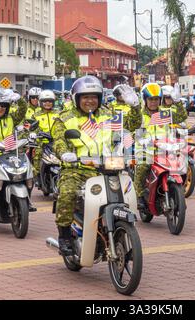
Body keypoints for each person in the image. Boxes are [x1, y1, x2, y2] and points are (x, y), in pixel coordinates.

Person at [51, 76, 142, 255]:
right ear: (76, 98)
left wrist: (136, 107)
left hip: (108, 168)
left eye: (94, 96)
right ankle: (64, 236)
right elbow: (59, 140)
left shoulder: (109, 115)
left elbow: (132, 125)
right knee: (67, 192)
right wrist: (64, 153)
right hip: (77, 169)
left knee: (129, 189)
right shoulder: (65, 118)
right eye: (85, 97)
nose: (90, 101)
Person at [134, 83, 188, 209]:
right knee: (143, 166)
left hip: (164, 150)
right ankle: (140, 196)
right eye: (150, 99)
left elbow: (181, 116)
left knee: (180, 164)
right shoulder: (139, 116)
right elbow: (130, 126)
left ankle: (177, 193)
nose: (153, 102)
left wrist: (178, 101)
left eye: (156, 99)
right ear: (145, 100)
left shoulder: (165, 113)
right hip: (145, 150)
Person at [30, 90, 60, 178]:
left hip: (56, 141)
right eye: (45, 101)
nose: (48, 103)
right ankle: (37, 176)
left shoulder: (59, 113)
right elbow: (32, 127)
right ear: (41, 102)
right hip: (41, 142)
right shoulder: (36, 115)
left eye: (50, 101)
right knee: (36, 155)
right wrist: (33, 133)